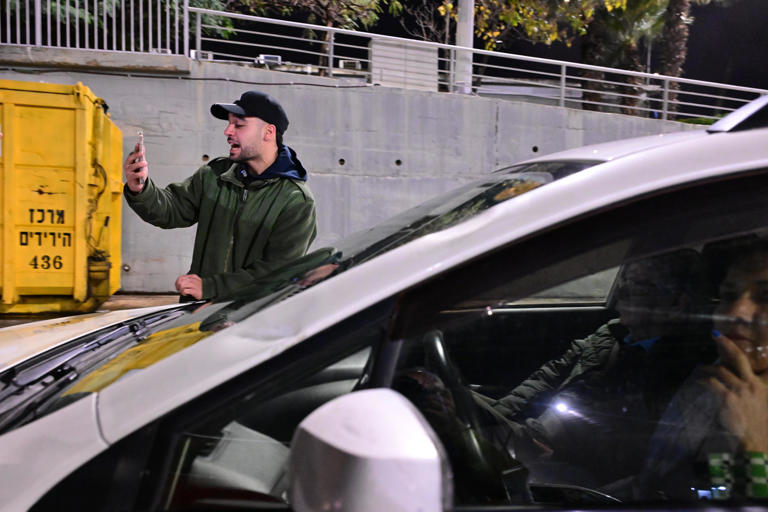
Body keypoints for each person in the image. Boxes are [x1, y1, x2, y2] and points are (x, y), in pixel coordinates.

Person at [123, 91, 317, 301]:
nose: (227, 131)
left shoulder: (296, 201)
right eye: (229, 124)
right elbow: (172, 210)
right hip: (199, 311)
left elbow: (277, 272)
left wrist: (210, 287)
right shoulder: (215, 175)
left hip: (249, 319)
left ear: (268, 132)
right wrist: (141, 189)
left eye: (239, 125)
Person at [641, 239, 768, 500]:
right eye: (729, 296)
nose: (735, 312)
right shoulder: (714, 381)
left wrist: (755, 444)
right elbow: (691, 487)